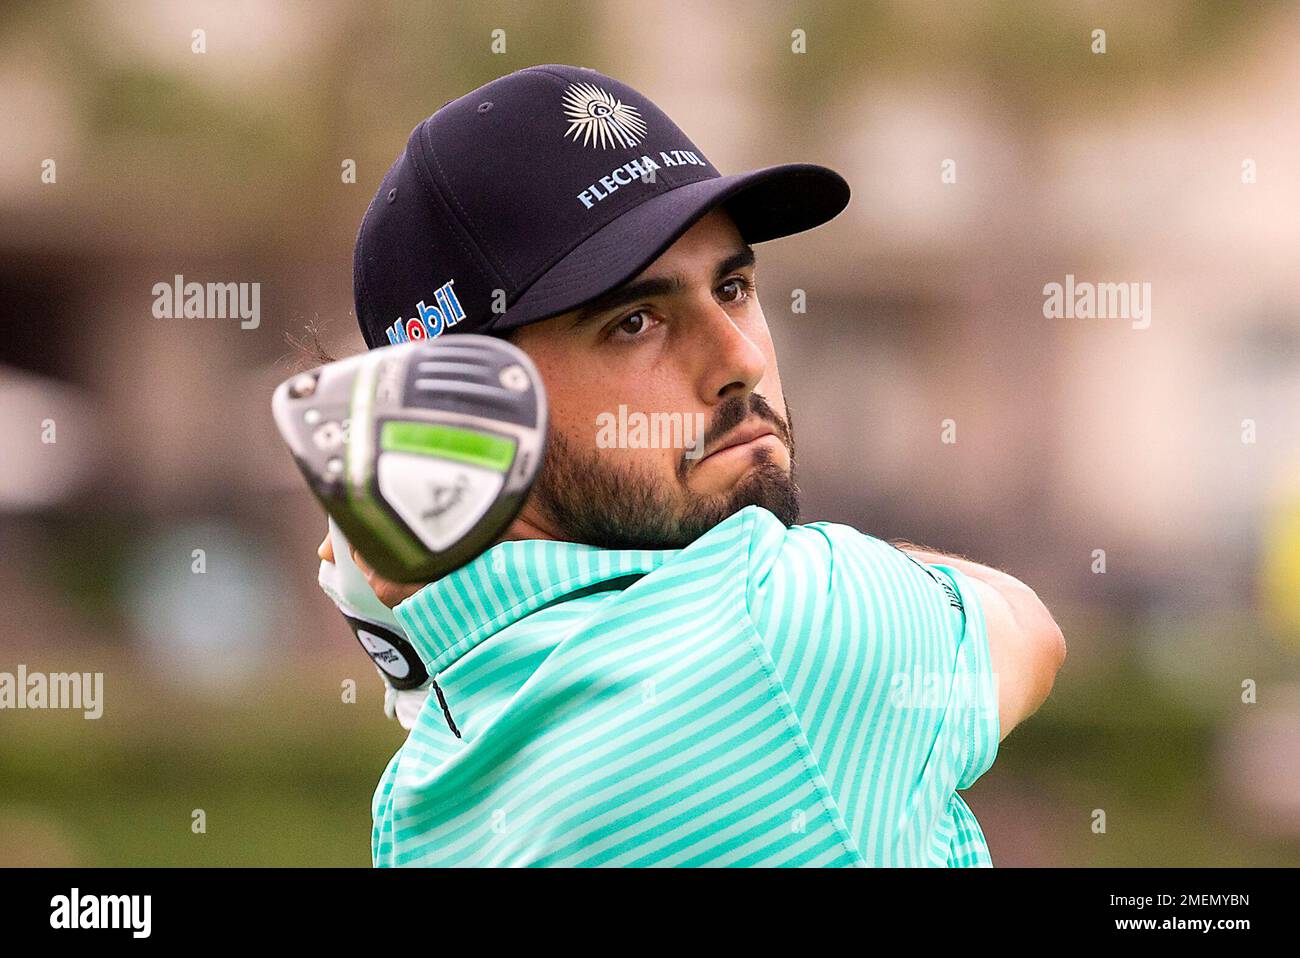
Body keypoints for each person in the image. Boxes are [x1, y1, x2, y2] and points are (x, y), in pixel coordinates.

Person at [319, 64, 1065, 866]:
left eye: (735, 287)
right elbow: (1026, 624)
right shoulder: (787, 627)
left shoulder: (420, 791)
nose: (738, 359)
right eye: (635, 320)